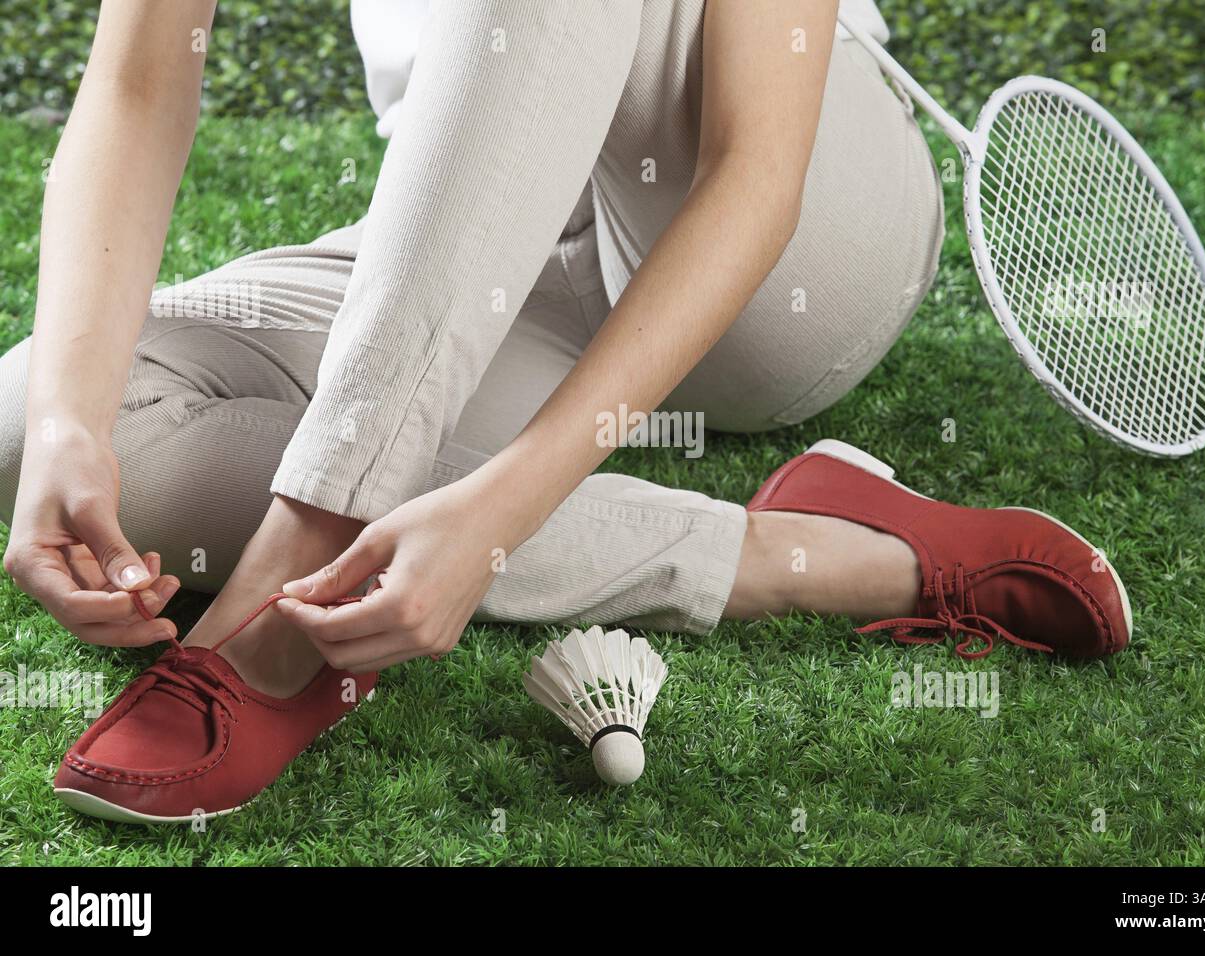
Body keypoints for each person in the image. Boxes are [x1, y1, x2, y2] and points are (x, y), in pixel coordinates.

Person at [0, 0, 1129, 824]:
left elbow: (756, 172)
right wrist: (66, 427)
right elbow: (141, 81)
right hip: (504, 246)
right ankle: (797, 549)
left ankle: (297, 578)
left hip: (776, 242)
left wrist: (500, 513)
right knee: (35, 407)